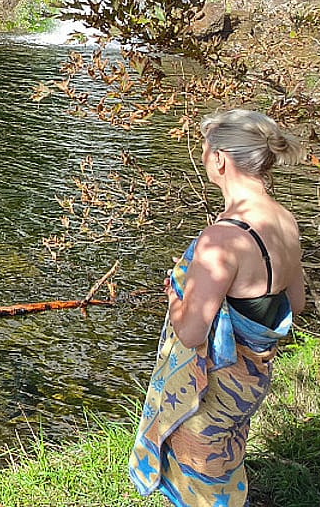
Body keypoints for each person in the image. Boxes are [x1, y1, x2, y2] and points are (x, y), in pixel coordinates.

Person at [130, 109, 305, 507]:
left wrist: (177, 296)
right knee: (226, 458)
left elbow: (191, 333)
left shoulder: (222, 239)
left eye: (206, 149)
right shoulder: (284, 220)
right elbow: (296, 303)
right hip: (253, 377)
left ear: (221, 158)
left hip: (215, 385)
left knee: (201, 481)